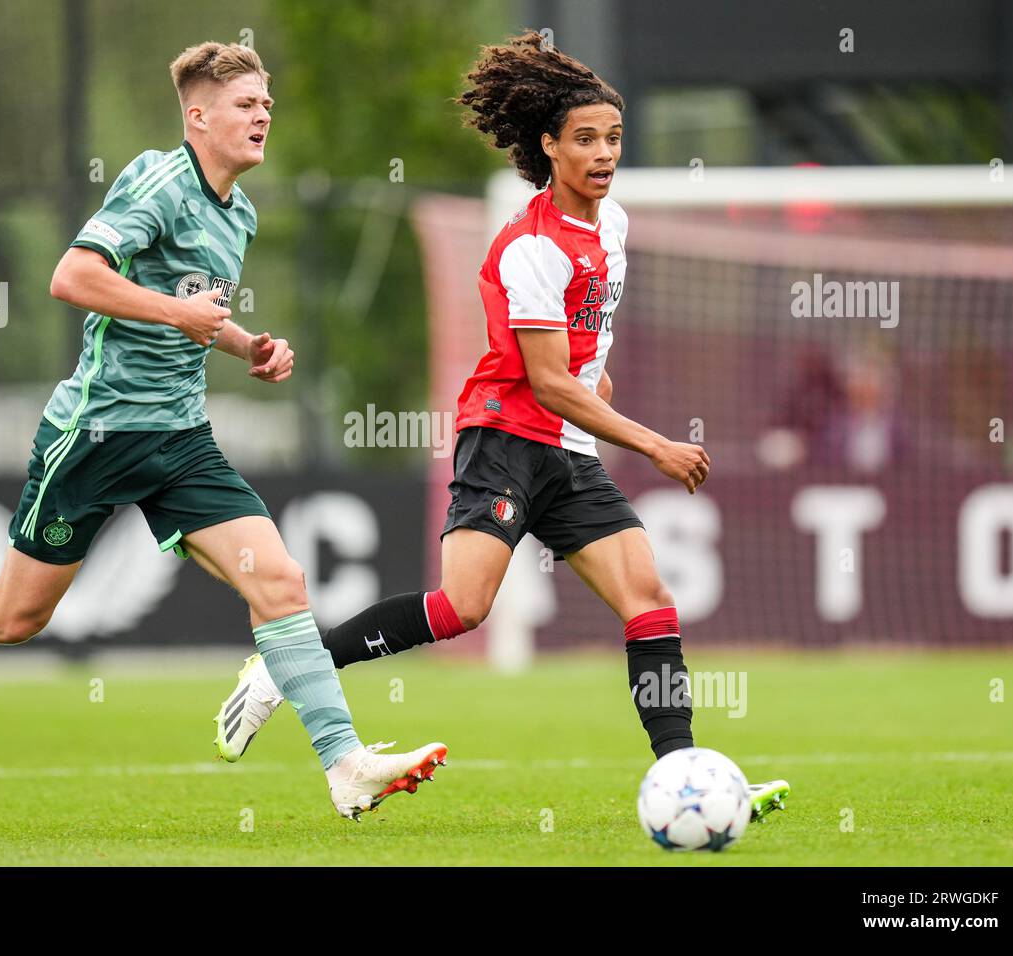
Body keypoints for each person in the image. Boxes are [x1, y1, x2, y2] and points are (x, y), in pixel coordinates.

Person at [0, 40, 446, 821]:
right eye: (246, 104)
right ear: (197, 115)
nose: (263, 114)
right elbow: (71, 276)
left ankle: (345, 766)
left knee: (280, 582)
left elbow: (186, 306)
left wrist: (246, 345)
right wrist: (181, 312)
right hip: (99, 435)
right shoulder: (158, 177)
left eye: (267, 103)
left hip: (179, 441)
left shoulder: (238, 212)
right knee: (12, 617)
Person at [212, 32, 787, 821]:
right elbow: (546, 381)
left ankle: (691, 779)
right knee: (464, 607)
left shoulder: (611, 226)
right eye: (585, 139)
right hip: (508, 437)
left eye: (613, 137)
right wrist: (652, 441)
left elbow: (582, 360)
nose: (603, 152)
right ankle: (286, 667)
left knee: (650, 598)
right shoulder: (530, 249)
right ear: (548, 146)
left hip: (567, 447)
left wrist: (599, 384)